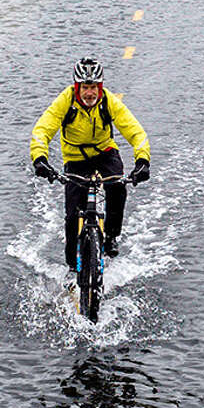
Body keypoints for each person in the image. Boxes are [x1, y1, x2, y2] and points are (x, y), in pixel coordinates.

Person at [29, 57, 151, 261]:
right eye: (85, 87)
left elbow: (135, 131)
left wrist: (142, 161)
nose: (90, 93)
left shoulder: (108, 101)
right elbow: (43, 129)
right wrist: (40, 158)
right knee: (72, 217)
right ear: (77, 86)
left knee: (117, 187)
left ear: (100, 86)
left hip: (105, 153)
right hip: (75, 158)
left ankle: (111, 235)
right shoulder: (66, 101)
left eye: (94, 87)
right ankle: (71, 267)